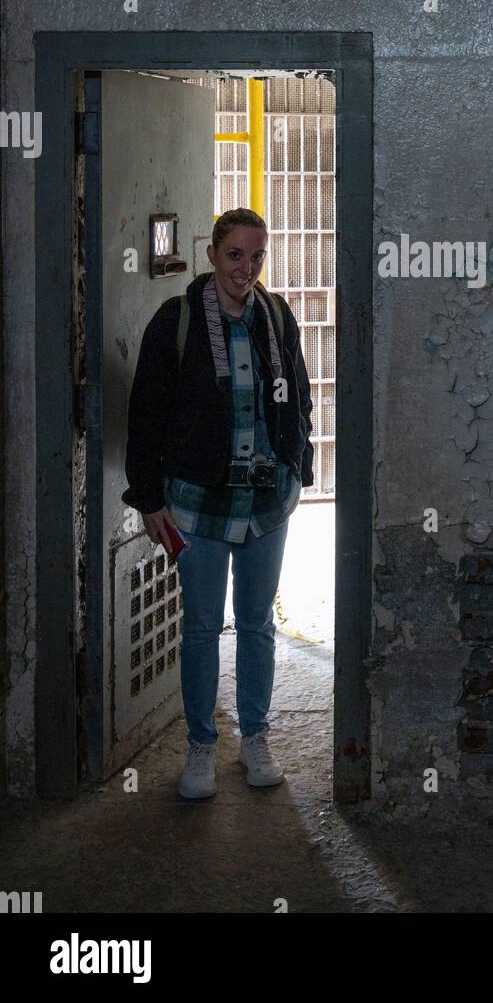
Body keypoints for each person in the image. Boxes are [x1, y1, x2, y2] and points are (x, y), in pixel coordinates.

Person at [121, 208, 314, 799]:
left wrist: (297, 468)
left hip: (264, 503)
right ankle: (201, 747)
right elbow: (145, 415)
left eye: (257, 256)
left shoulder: (276, 318)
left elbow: (297, 396)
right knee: (202, 627)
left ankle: (255, 737)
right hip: (197, 505)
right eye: (236, 255)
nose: (246, 268)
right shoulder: (175, 323)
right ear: (212, 254)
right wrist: (148, 496)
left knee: (257, 626)